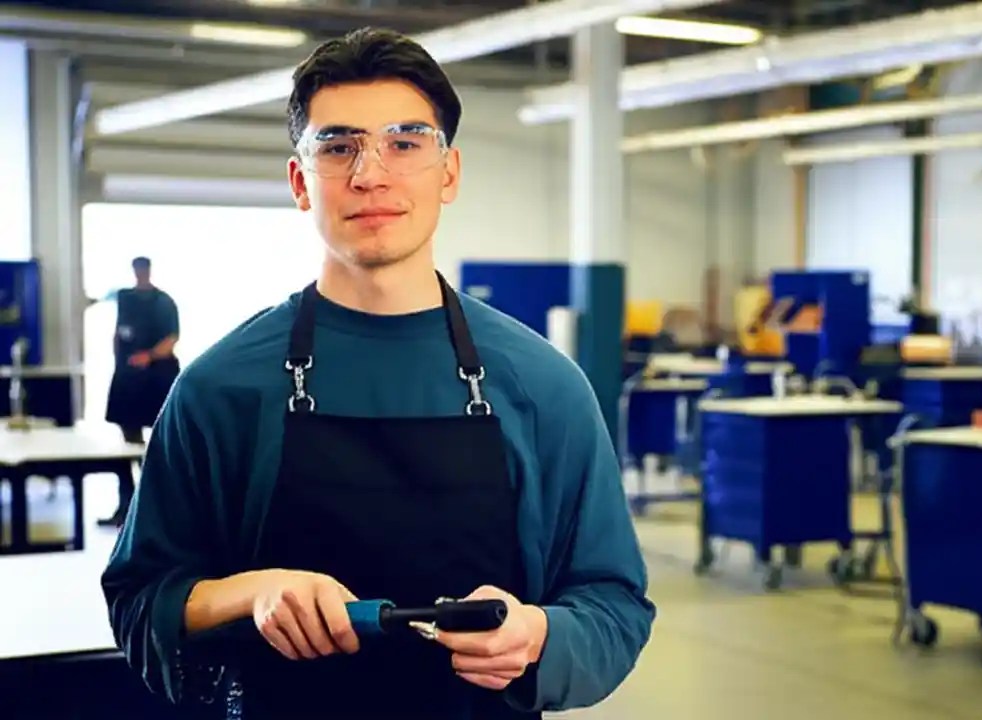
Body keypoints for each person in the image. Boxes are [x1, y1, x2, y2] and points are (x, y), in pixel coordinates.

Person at [100, 27, 655, 719]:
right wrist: (252, 592)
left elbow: (614, 606)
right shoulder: (220, 390)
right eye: (338, 148)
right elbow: (140, 602)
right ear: (301, 182)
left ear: (448, 173)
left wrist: (541, 636)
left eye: (405, 143)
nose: (370, 174)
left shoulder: (544, 388)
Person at [100, 255, 180, 526]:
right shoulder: (125, 299)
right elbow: (118, 333)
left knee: (160, 446)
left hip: (156, 379)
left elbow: (171, 338)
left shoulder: (164, 302)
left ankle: (158, 509)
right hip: (128, 379)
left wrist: (149, 356)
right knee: (126, 447)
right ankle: (126, 507)